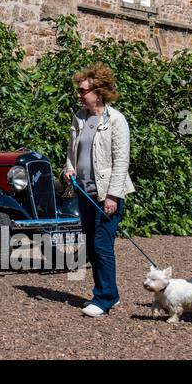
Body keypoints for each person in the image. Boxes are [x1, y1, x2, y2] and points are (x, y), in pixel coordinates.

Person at [64, 63, 133, 317]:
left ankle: (103, 299)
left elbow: (121, 160)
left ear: (98, 91)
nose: (80, 95)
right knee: (92, 245)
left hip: (106, 194)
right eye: (79, 90)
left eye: (83, 91)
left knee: (102, 245)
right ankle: (110, 294)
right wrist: (69, 169)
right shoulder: (80, 118)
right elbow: (73, 150)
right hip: (84, 191)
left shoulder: (116, 120)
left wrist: (113, 195)